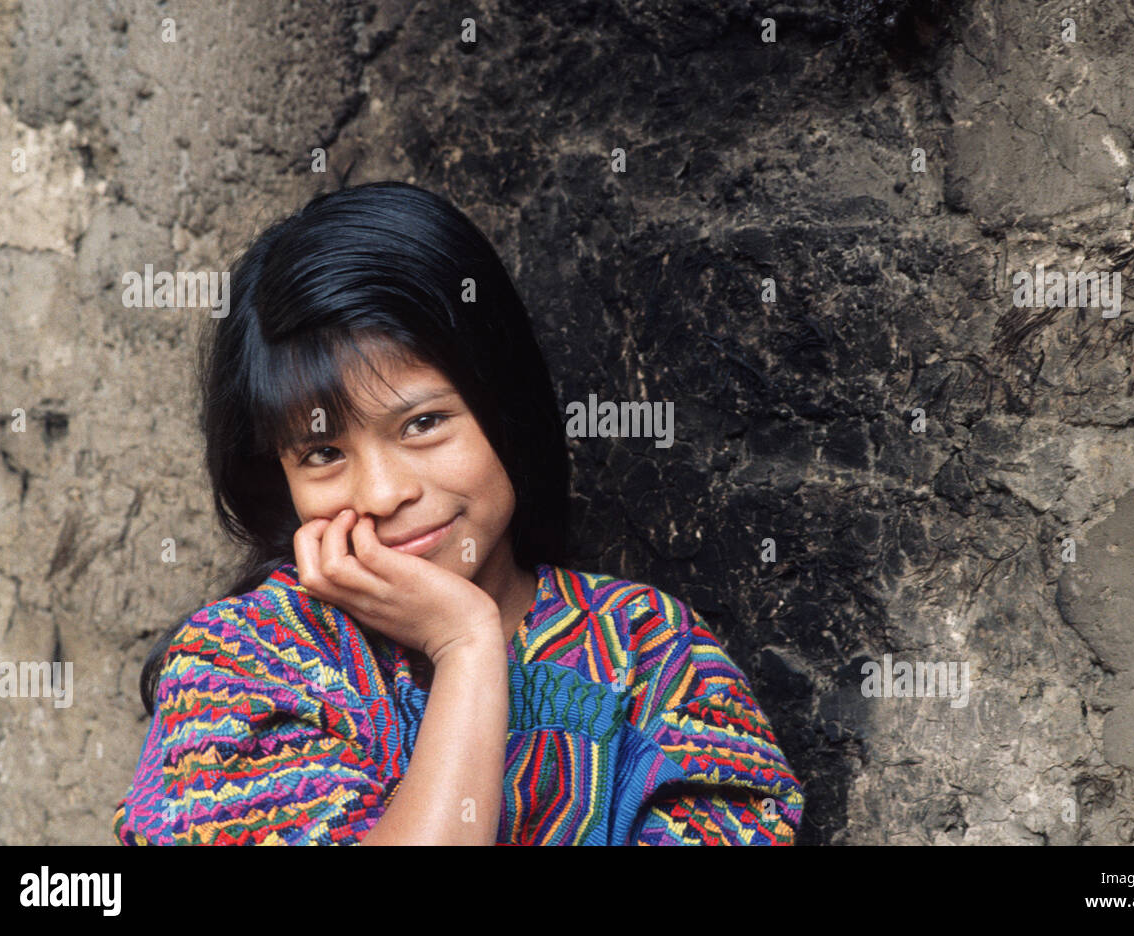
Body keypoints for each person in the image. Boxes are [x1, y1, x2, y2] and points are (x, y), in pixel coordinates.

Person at [112, 181, 805, 845]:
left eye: (422, 424)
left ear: (504, 402)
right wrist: (466, 646)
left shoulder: (652, 655)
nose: (382, 494)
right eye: (323, 452)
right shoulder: (241, 663)